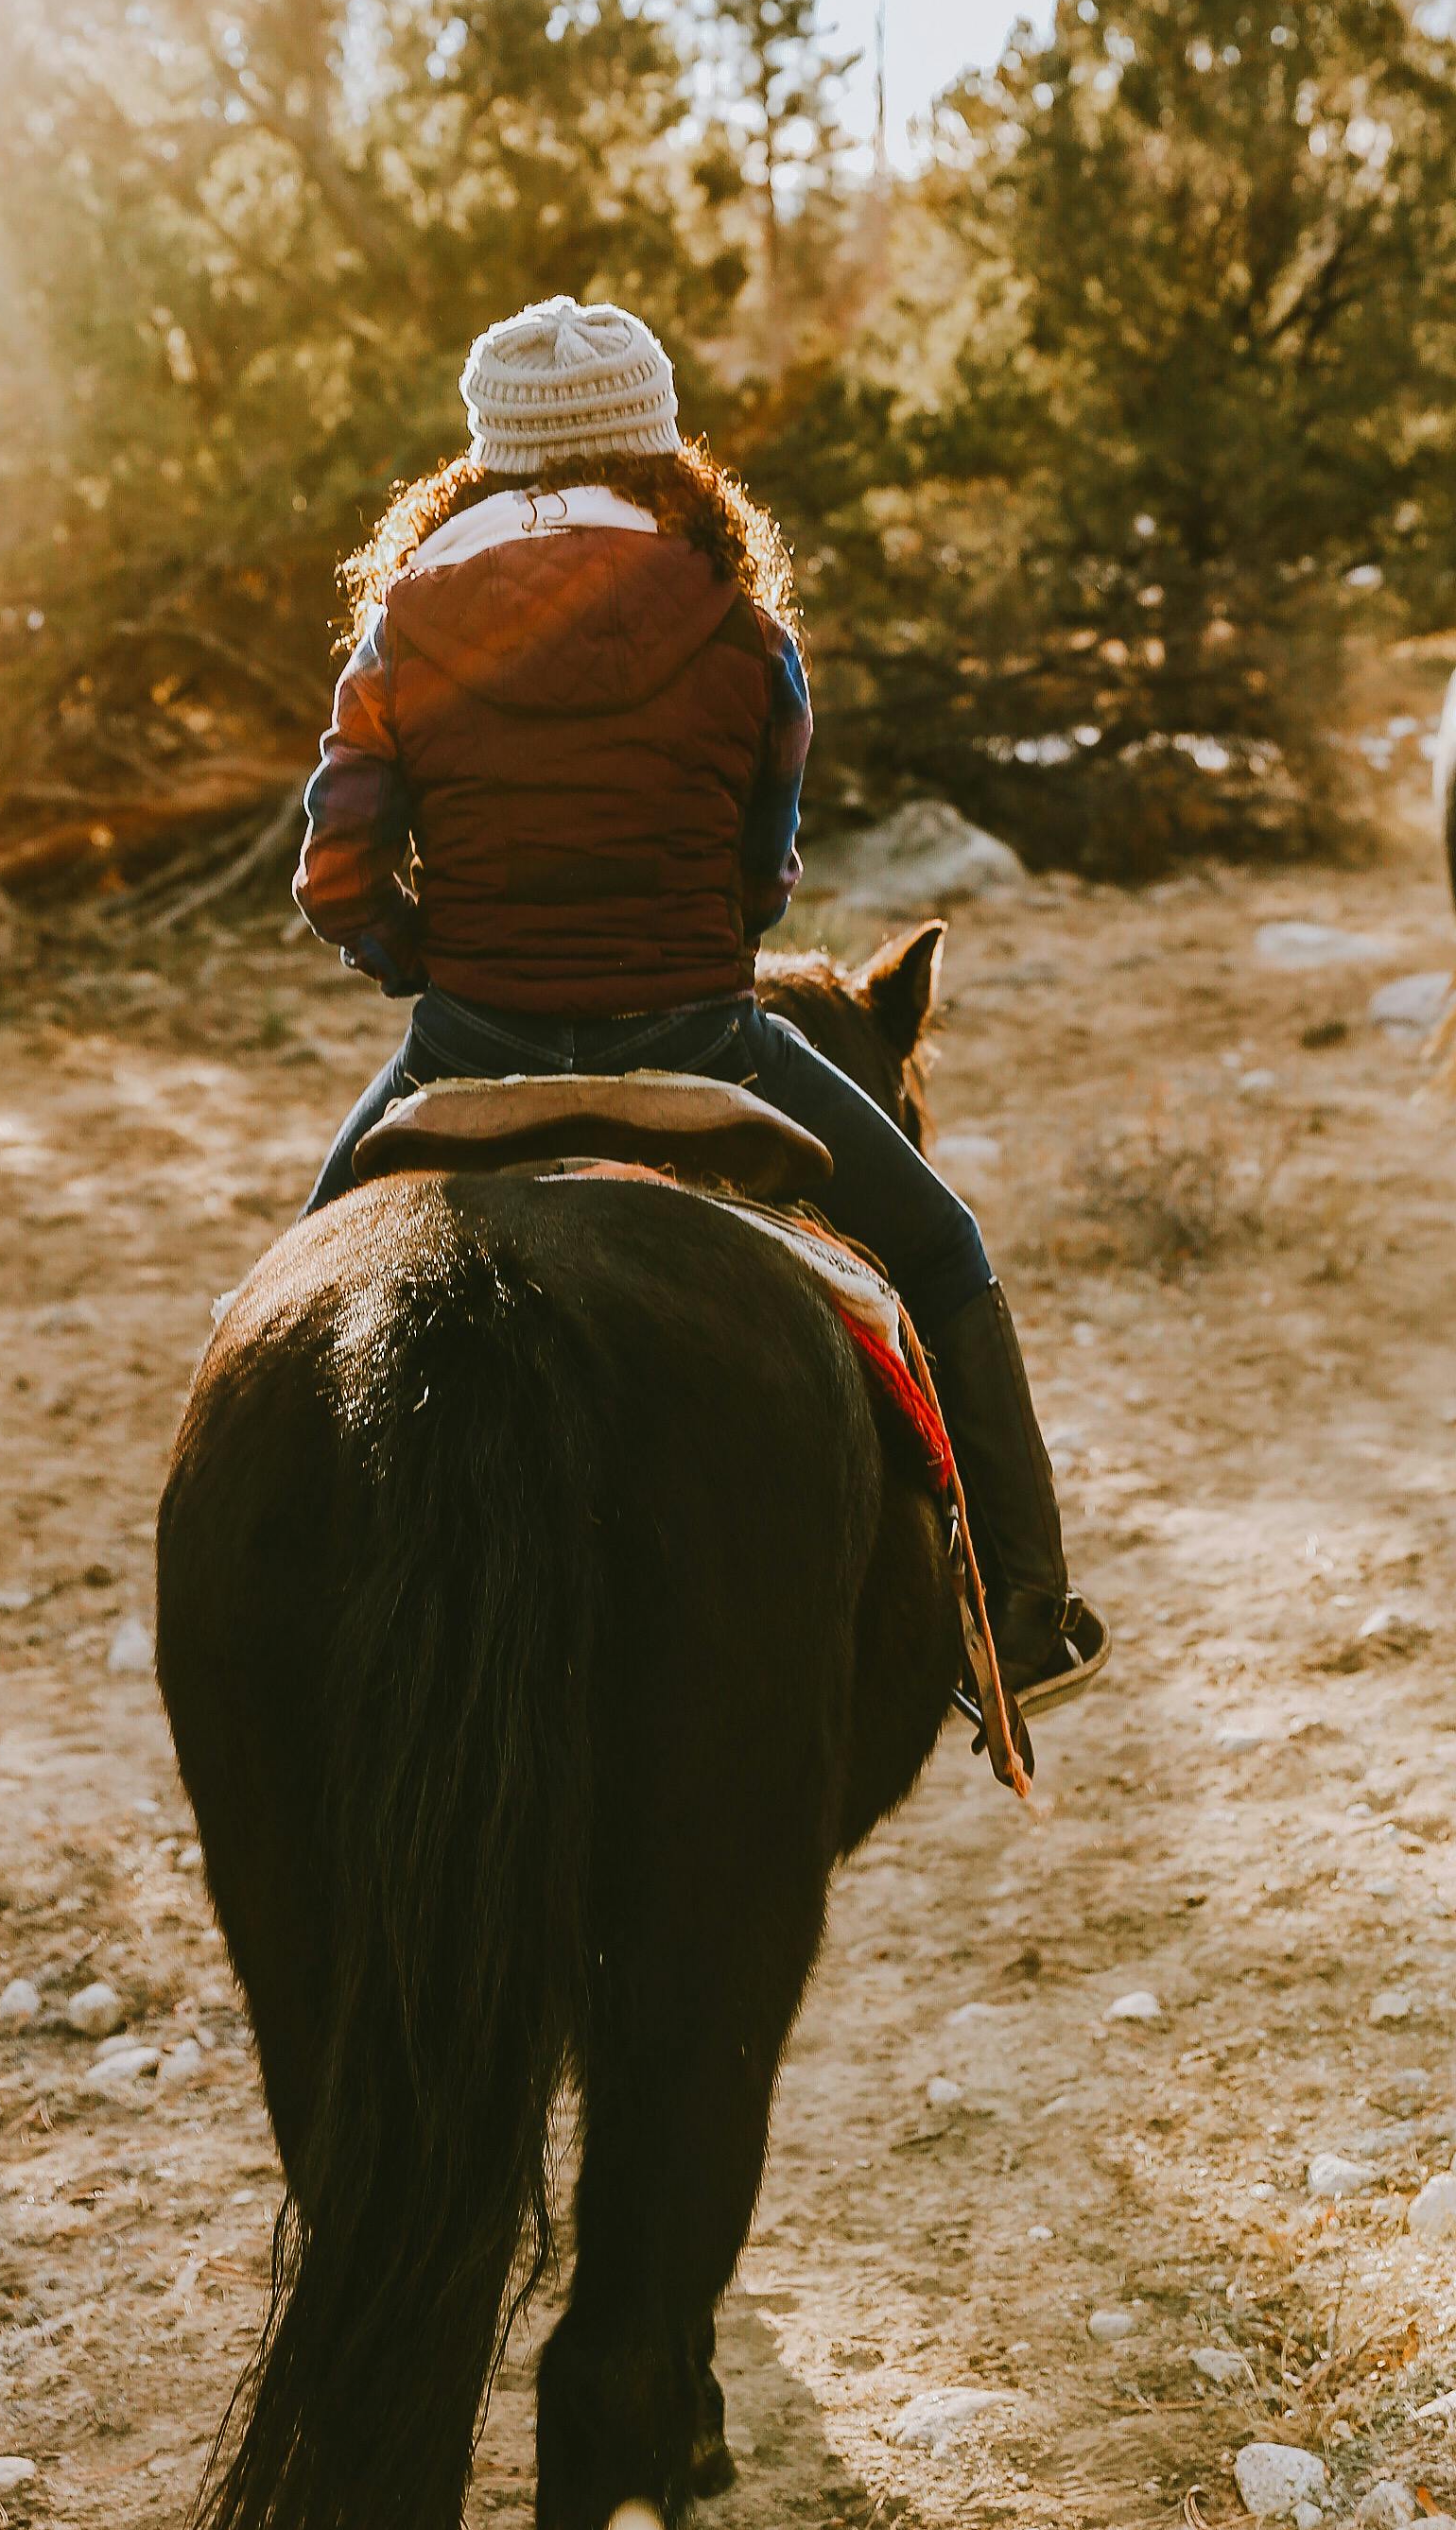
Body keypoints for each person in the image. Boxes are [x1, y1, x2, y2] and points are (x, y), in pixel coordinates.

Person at [294, 291, 1107, 1715]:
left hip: (465, 1044)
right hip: (697, 1037)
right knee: (944, 1245)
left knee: (288, 1299)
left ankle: (276, 1639)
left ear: (487, 457)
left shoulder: (406, 624)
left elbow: (334, 873)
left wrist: (431, 958)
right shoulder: (743, 627)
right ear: (658, 446)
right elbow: (764, 879)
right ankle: (1026, 1616)